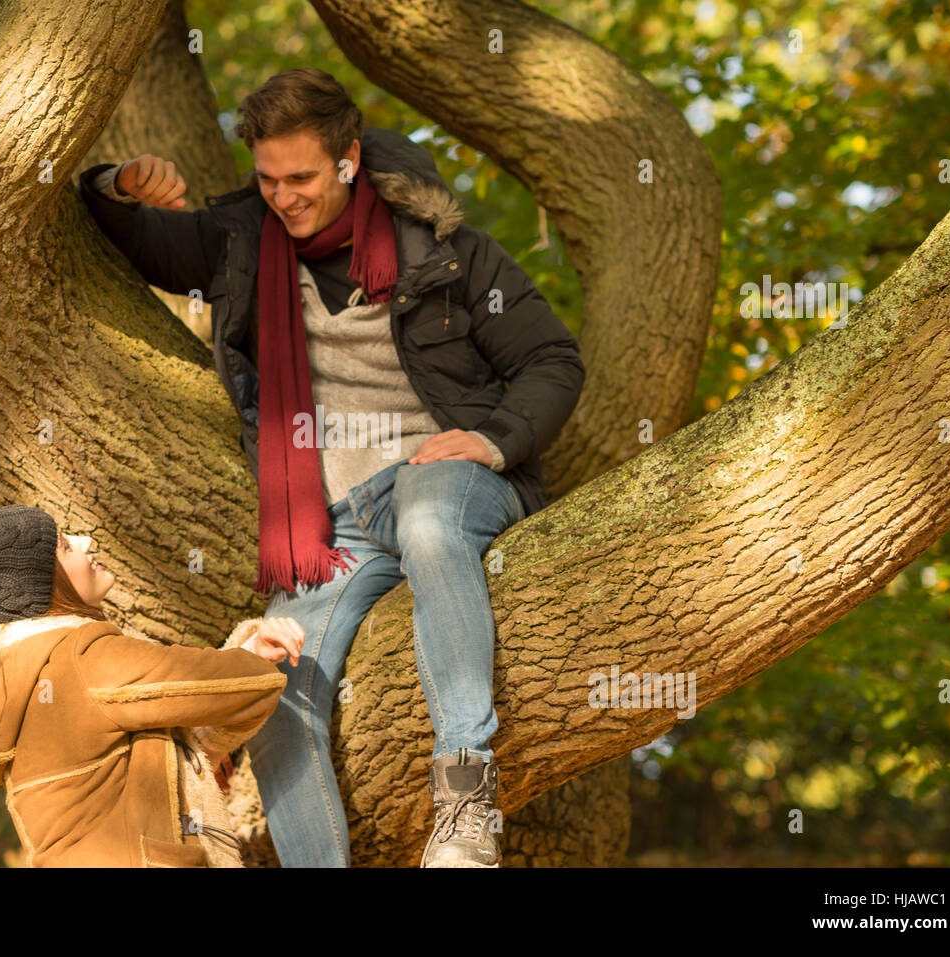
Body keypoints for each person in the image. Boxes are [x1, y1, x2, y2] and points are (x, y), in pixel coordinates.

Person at [77, 68, 585, 867]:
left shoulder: (449, 253)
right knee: (272, 692)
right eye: (269, 179)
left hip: (443, 478)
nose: (284, 196)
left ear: (349, 161)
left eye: (302, 178)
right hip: (333, 522)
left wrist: (491, 442)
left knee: (424, 514)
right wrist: (117, 184)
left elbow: (552, 359)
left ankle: (465, 800)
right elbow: (134, 237)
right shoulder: (243, 244)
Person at [0, 503, 303, 867]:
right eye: (66, 546)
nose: (88, 542)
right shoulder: (76, 657)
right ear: (42, 584)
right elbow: (230, 686)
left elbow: (177, 725)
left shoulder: (22, 673)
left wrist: (249, 657)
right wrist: (254, 653)